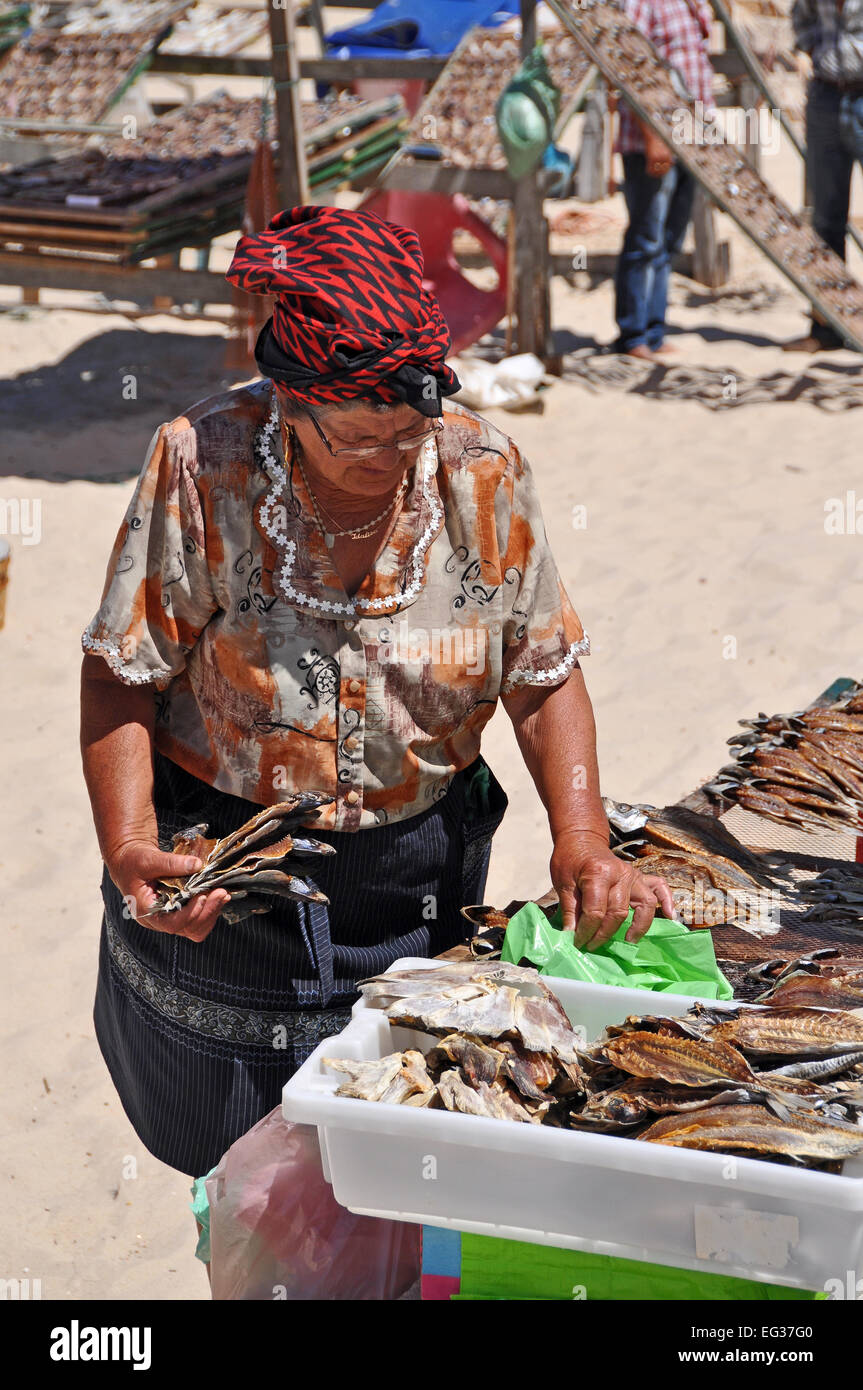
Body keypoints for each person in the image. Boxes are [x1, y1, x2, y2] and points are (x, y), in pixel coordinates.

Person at [80, 205, 674, 1178]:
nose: (390, 461)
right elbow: (120, 672)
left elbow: (543, 671)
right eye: (357, 437)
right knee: (246, 1184)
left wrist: (581, 835)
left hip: (419, 881)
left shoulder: (479, 472)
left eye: (407, 432)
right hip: (231, 885)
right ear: (290, 401)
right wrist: (130, 842)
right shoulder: (202, 464)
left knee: (399, 1169)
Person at [614, 0, 715, 359]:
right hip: (655, 141)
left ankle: (654, 330)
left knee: (669, 240)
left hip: (691, 139)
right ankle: (633, 335)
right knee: (646, 238)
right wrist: (653, 134)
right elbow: (629, 66)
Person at [785, 0, 863, 352]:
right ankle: (828, 328)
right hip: (826, 95)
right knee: (826, 219)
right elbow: (801, 17)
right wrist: (809, 47)